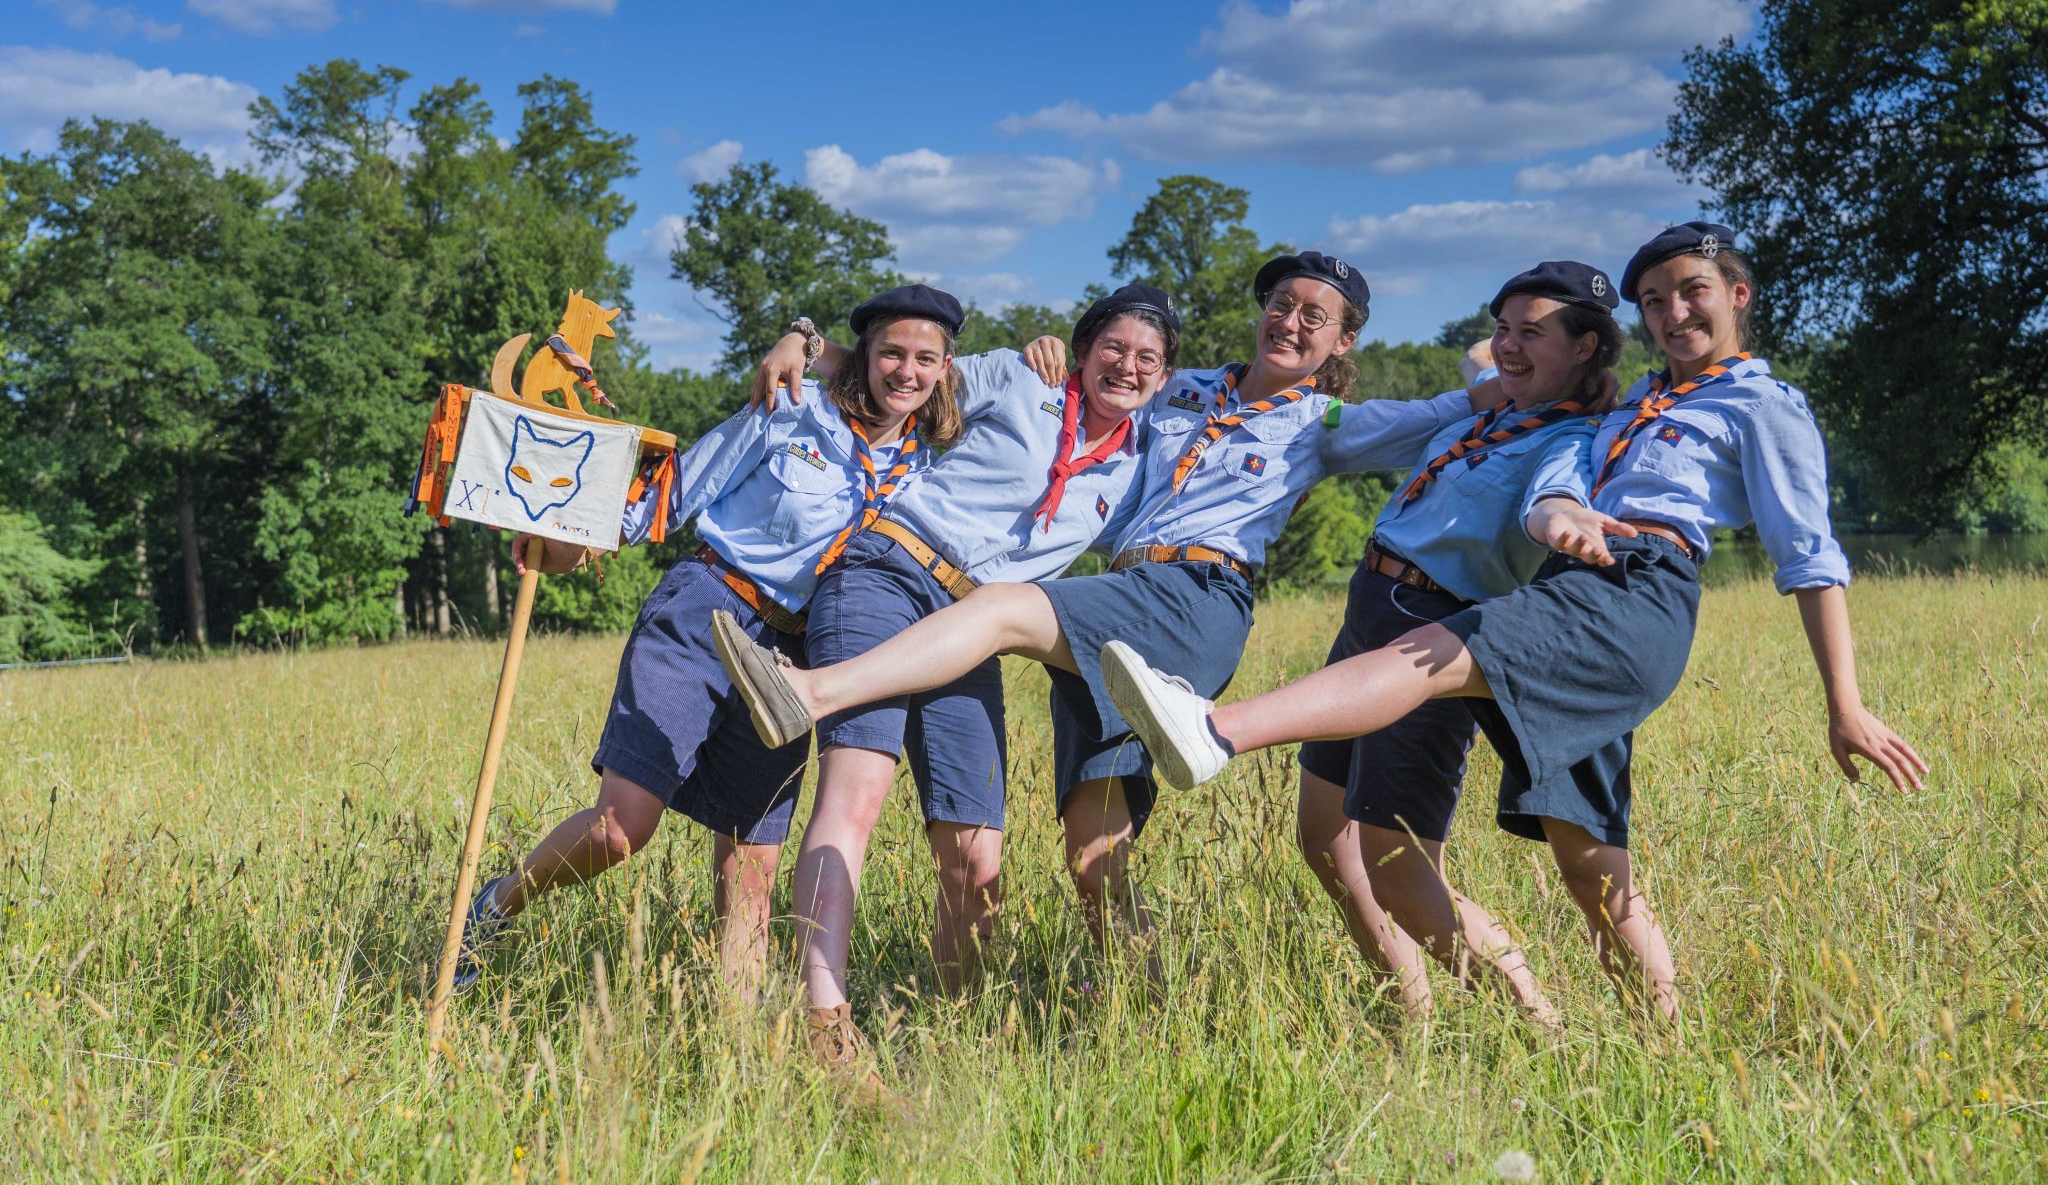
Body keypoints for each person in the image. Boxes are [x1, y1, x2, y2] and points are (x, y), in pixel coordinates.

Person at [1104, 224, 1928, 1020]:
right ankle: (1646, 1042)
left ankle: (1215, 729)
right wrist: (1548, 465)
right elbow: (1549, 471)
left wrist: (1844, 701)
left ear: (1737, 295)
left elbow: (1807, 552)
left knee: (1416, 770)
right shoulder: (1625, 405)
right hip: (1538, 592)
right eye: (1654, 299)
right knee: (1587, 859)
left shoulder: (1752, 404)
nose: (1673, 312)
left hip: (1616, 590)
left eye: (1692, 292)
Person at [717, 251, 1505, 991]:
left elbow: (1473, 400)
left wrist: (1488, 353)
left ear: (1342, 339)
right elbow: (1057, 378)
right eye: (1282, 304)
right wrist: (1043, 349)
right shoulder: (1180, 388)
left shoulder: (1328, 423)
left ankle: (816, 692)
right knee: (1094, 853)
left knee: (1000, 607)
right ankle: (1145, 1010)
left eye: (1315, 317)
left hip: (1196, 596)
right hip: (1121, 606)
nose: (1291, 322)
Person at [445, 285, 963, 1001]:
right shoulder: (793, 407)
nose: (906, 371)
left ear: (944, 368)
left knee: (751, 868)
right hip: (705, 610)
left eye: (924, 359)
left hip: (790, 660)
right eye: (892, 352)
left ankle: (739, 1045)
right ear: (865, 355)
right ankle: (493, 906)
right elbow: (680, 487)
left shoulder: (929, 469)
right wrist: (572, 544)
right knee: (621, 828)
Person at [733, 283, 1177, 1091]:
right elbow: (891, 371)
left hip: (974, 624)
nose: (1127, 366)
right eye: (1112, 347)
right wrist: (801, 340)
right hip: (885, 572)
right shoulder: (1020, 376)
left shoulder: (1143, 460)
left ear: (1162, 376)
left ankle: (957, 1037)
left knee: (976, 855)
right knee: (856, 795)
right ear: (1081, 350)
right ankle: (825, 1022)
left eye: (1148, 358)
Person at [1294, 261, 1619, 1026]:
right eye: (1504, 326)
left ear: (1586, 347)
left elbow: (1553, 500)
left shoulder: (1574, 437)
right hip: (1370, 605)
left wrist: (1562, 525)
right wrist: (1515, 353)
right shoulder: (1495, 399)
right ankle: (1412, 1016)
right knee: (1324, 837)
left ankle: (1536, 1022)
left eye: (1531, 333)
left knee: (1399, 865)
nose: (1506, 345)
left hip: (1431, 631)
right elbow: (1481, 354)